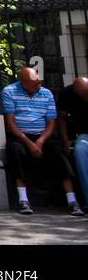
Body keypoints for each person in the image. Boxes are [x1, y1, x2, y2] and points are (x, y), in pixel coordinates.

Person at [2, 65, 84, 216]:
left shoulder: (46, 94)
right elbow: (11, 123)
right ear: (24, 83)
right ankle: (23, 199)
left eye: (39, 82)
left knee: (59, 154)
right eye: (35, 84)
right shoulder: (9, 91)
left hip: (42, 135)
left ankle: (72, 200)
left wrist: (40, 141)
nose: (39, 85)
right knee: (15, 151)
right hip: (21, 136)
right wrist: (29, 143)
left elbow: (51, 122)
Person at [56, 75, 88, 208]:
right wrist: (66, 140)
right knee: (80, 151)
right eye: (83, 96)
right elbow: (62, 118)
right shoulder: (67, 94)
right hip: (84, 134)